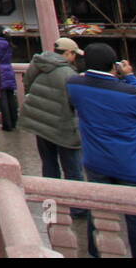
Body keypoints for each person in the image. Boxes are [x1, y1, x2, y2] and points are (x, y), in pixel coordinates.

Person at [66, 43, 136, 258]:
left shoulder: (74, 85)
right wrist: (130, 76)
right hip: (131, 161)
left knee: (98, 208)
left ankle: (95, 250)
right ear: (114, 65)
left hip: (95, 158)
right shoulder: (129, 92)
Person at [18, 37, 88, 217]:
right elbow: (77, 102)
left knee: (49, 164)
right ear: (68, 53)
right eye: (74, 54)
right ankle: (78, 207)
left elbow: (27, 85)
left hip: (41, 122)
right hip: (63, 125)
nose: (75, 58)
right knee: (73, 169)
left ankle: (50, 203)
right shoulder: (69, 74)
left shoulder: (39, 64)